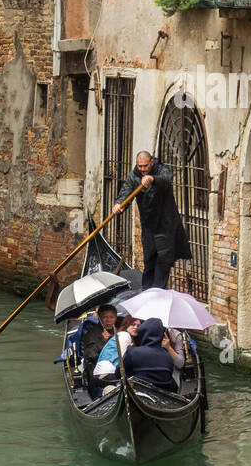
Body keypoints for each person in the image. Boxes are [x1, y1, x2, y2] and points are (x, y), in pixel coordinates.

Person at [112, 151, 192, 290]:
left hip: (166, 225)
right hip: (148, 225)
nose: (142, 169)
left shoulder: (161, 169)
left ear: (151, 162)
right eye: (140, 166)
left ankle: (157, 293)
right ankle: (147, 291)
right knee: (149, 261)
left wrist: (152, 179)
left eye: (145, 166)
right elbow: (126, 191)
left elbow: (167, 179)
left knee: (163, 260)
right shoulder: (134, 175)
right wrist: (119, 204)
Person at [122, 317, 177, 392]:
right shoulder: (168, 356)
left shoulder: (133, 352)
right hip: (162, 397)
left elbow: (119, 373)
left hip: (138, 395)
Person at [81, 302, 119, 380]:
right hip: (97, 369)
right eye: (105, 317)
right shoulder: (91, 334)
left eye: (111, 317)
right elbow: (90, 355)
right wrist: (103, 341)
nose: (108, 320)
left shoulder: (117, 330)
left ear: (116, 318)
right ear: (99, 318)